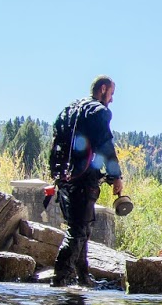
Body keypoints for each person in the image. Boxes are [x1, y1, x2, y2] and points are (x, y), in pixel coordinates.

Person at [51, 75, 123, 287]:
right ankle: (60, 278)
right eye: (111, 94)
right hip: (84, 178)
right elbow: (105, 146)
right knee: (78, 230)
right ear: (103, 89)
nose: (111, 99)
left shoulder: (68, 110)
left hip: (64, 177)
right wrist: (116, 176)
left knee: (82, 227)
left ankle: (83, 277)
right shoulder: (99, 111)